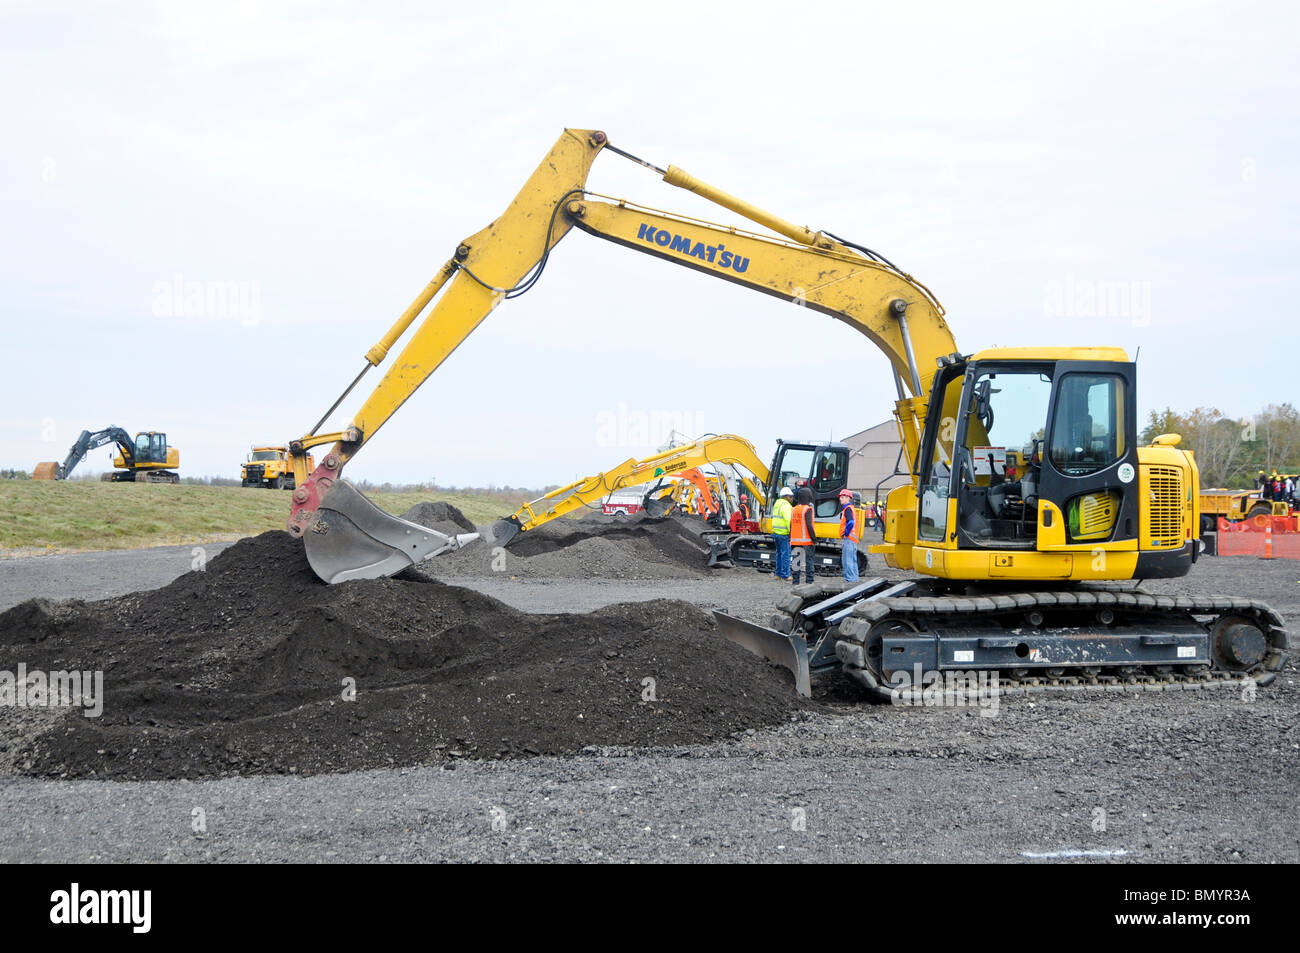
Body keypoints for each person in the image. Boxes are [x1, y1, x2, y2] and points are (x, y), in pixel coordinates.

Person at [789, 486, 817, 585]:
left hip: (795, 540)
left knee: (796, 561)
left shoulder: (794, 509)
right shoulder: (807, 509)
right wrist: (814, 539)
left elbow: (791, 525)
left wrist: (790, 537)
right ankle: (809, 581)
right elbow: (809, 526)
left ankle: (795, 581)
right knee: (809, 560)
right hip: (807, 541)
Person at [838, 489, 862, 582]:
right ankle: (854, 580)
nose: (841, 499)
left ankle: (850, 581)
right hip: (853, 539)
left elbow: (851, 522)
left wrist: (846, 533)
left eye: (843, 497)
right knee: (852, 561)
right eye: (841, 497)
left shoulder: (847, 509)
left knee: (847, 562)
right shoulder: (851, 509)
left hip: (849, 538)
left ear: (848, 498)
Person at [771, 487, 794, 581]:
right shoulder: (786, 506)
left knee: (779, 554)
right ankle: (786, 575)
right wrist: (791, 534)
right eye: (791, 497)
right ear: (786, 497)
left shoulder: (777, 505)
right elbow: (789, 520)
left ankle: (778, 574)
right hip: (784, 534)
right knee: (786, 555)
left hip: (776, 533)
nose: (792, 498)